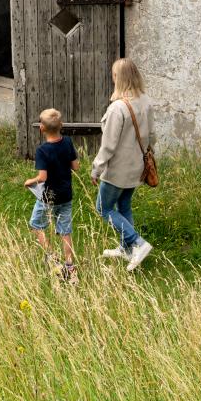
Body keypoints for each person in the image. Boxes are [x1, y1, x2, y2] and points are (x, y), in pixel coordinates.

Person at [92, 57, 156, 271]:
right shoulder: (146, 101)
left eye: (114, 75)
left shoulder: (117, 108)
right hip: (137, 167)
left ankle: (137, 243)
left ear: (118, 78)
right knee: (124, 206)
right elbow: (152, 136)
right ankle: (126, 248)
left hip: (117, 170)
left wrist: (96, 168)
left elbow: (108, 145)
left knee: (103, 208)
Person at [23, 108, 80, 281]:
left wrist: (29, 182)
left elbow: (42, 178)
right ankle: (70, 267)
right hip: (66, 195)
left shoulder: (42, 150)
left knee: (36, 225)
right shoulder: (68, 142)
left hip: (49, 197)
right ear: (61, 125)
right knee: (65, 231)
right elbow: (75, 167)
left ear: (41, 128)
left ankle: (52, 259)